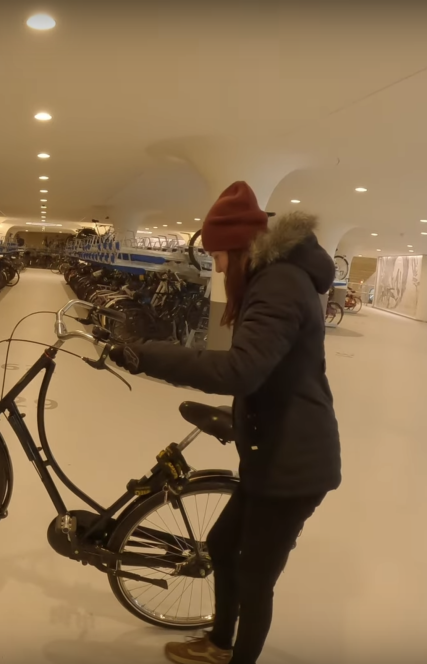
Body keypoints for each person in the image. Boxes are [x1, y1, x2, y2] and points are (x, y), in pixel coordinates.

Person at [110, 181, 342, 664]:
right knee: (221, 543)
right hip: (272, 452)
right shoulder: (273, 279)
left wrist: (146, 355)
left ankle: (233, 656)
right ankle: (218, 642)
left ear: (238, 248)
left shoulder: (278, 284)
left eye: (217, 255)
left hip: (294, 464)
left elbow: (241, 369)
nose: (215, 267)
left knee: (257, 577)